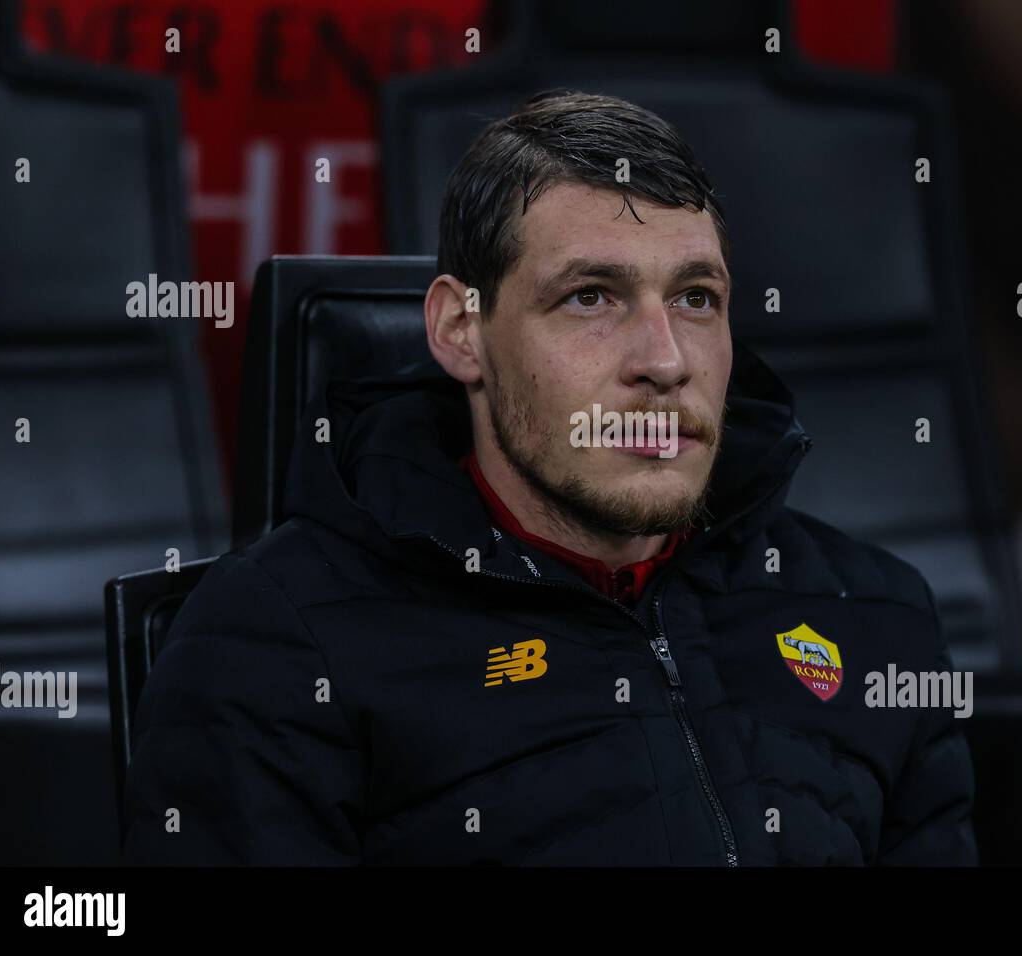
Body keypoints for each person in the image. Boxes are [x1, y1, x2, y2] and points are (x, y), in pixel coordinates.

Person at [122, 90, 978, 866]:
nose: (665, 361)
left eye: (695, 298)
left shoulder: (873, 615)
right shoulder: (272, 642)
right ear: (462, 331)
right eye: (591, 297)